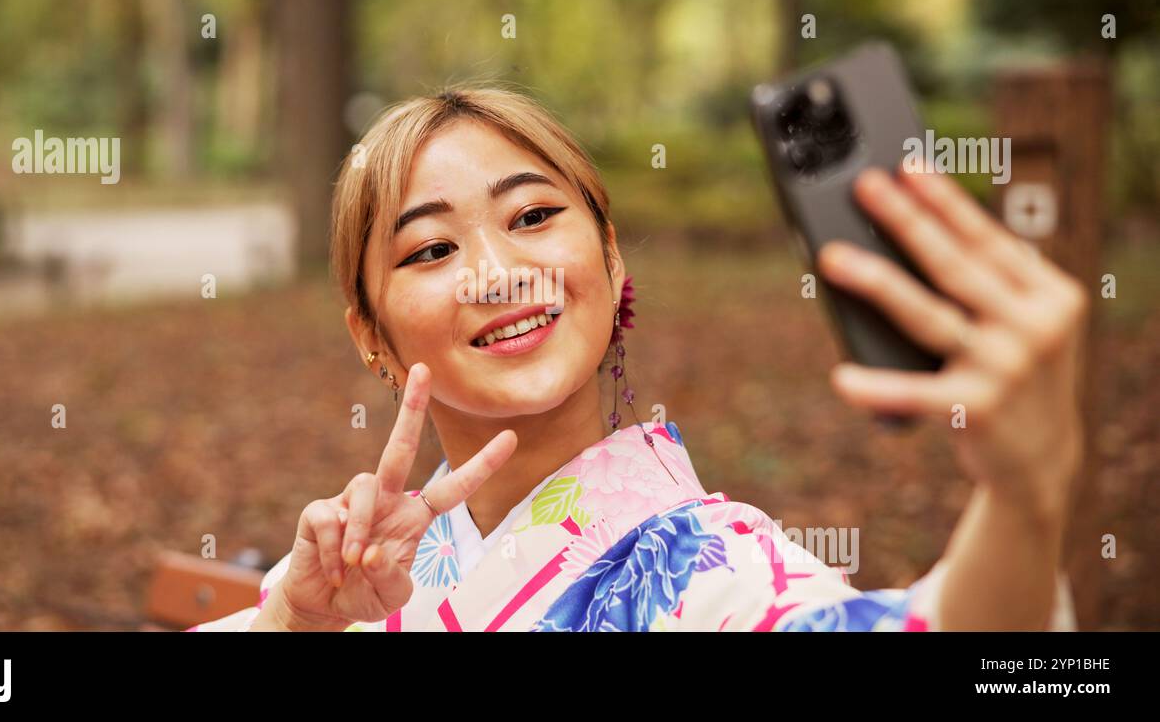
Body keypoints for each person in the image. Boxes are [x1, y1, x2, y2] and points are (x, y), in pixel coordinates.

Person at [190, 86, 1083, 632]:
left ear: (610, 259)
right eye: (430, 250)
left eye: (534, 216)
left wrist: (1024, 500)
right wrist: (290, 618)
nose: (498, 275)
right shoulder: (354, 577)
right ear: (370, 335)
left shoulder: (706, 568)